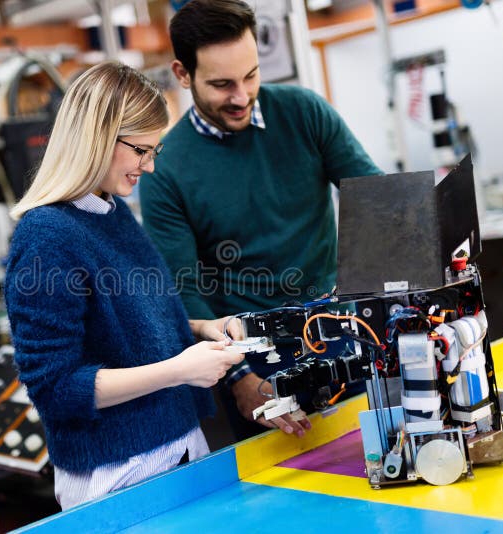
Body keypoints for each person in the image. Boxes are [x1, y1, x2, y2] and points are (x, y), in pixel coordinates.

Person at [3, 61, 245, 510]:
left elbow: (132, 327)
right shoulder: (46, 237)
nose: (149, 166)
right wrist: (180, 370)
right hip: (118, 474)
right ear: (98, 138)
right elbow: (56, 388)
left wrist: (198, 330)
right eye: (141, 150)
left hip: (178, 448)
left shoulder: (113, 213)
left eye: (155, 150)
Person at [140, 0, 381, 441]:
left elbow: (376, 201)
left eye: (250, 76)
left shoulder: (305, 112)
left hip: (344, 334)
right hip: (252, 362)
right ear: (182, 74)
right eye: (222, 84)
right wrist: (239, 380)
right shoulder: (165, 169)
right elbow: (183, 292)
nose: (241, 96)